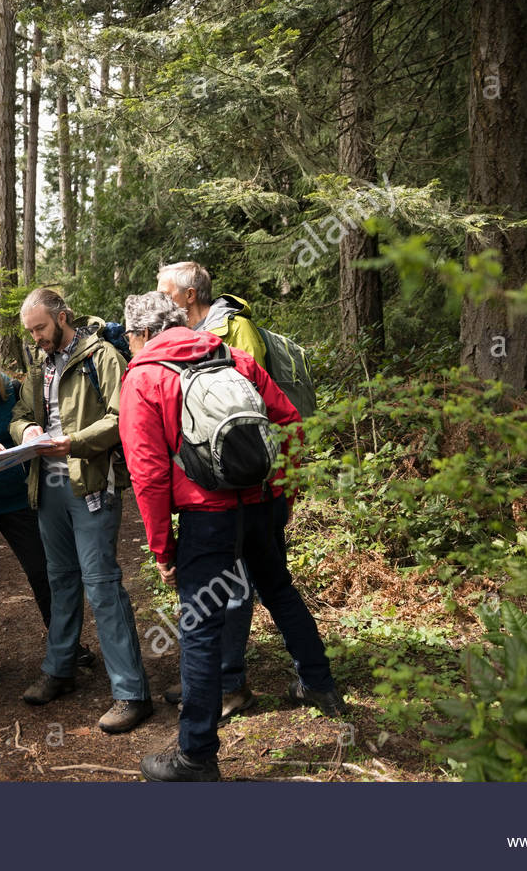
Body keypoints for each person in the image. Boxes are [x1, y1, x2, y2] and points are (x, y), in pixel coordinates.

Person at [118, 292, 346, 781]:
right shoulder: (233, 357)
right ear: (179, 321)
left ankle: (196, 755)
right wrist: (282, 493)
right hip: (260, 504)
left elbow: (150, 474)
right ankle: (320, 686)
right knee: (278, 588)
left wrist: (162, 547)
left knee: (199, 626)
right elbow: (289, 422)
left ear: (139, 335)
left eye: (130, 338)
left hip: (207, 518)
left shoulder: (143, 377)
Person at [10, 288, 154, 734]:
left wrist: (73, 443)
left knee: (101, 584)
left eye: (41, 328)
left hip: (91, 484)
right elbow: (18, 411)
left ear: (62, 317)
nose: (36, 338)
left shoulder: (102, 357)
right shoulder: (39, 366)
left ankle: (132, 693)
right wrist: (27, 428)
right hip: (47, 489)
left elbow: (121, 416)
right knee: (60, 578)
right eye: (31, 331)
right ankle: (60, 669)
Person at [0, 335, 93, 690]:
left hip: (14, 497)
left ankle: (65, 644)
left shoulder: (14, 390)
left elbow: (27, 425)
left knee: (43, 571)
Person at [154, 260, 265, 717]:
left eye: (164, 292)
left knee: (235, 586)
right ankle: (209, 680)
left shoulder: (236, 332)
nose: (160, 300)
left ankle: (230, 683)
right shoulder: (189, 337)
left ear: (189, 295)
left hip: (242, 487)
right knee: (213, 589)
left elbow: (259, 407)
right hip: (210, 486)